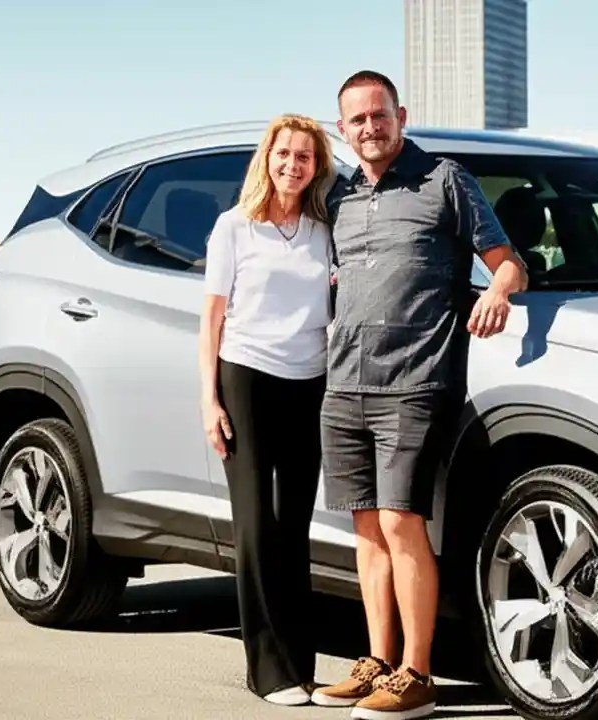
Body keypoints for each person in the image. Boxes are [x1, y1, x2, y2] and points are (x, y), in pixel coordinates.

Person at [308, 70, 527, 719]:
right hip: (344, 384)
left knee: (402, 522)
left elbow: (508, 261)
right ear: (342, 129)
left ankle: (418, 673)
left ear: (400, 116)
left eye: (380, 115)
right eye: (357, 120)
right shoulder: (340, 196)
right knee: (366, 528)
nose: (370, 128)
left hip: (415, 383)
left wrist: (496, 292)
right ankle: (377, 663)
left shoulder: (444, 180)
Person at [198, 113, 337, 706]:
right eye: (284, 154)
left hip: (309, 381)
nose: (292, 165)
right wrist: (209, 399)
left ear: (316, 167)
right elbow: (211, 318)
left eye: (304, 157)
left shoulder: (323, 230)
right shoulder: (234, 227)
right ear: (268, 158)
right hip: (246, 377)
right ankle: (267, 670)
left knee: (293, 524)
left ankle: (301, 666)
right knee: (255, 524)